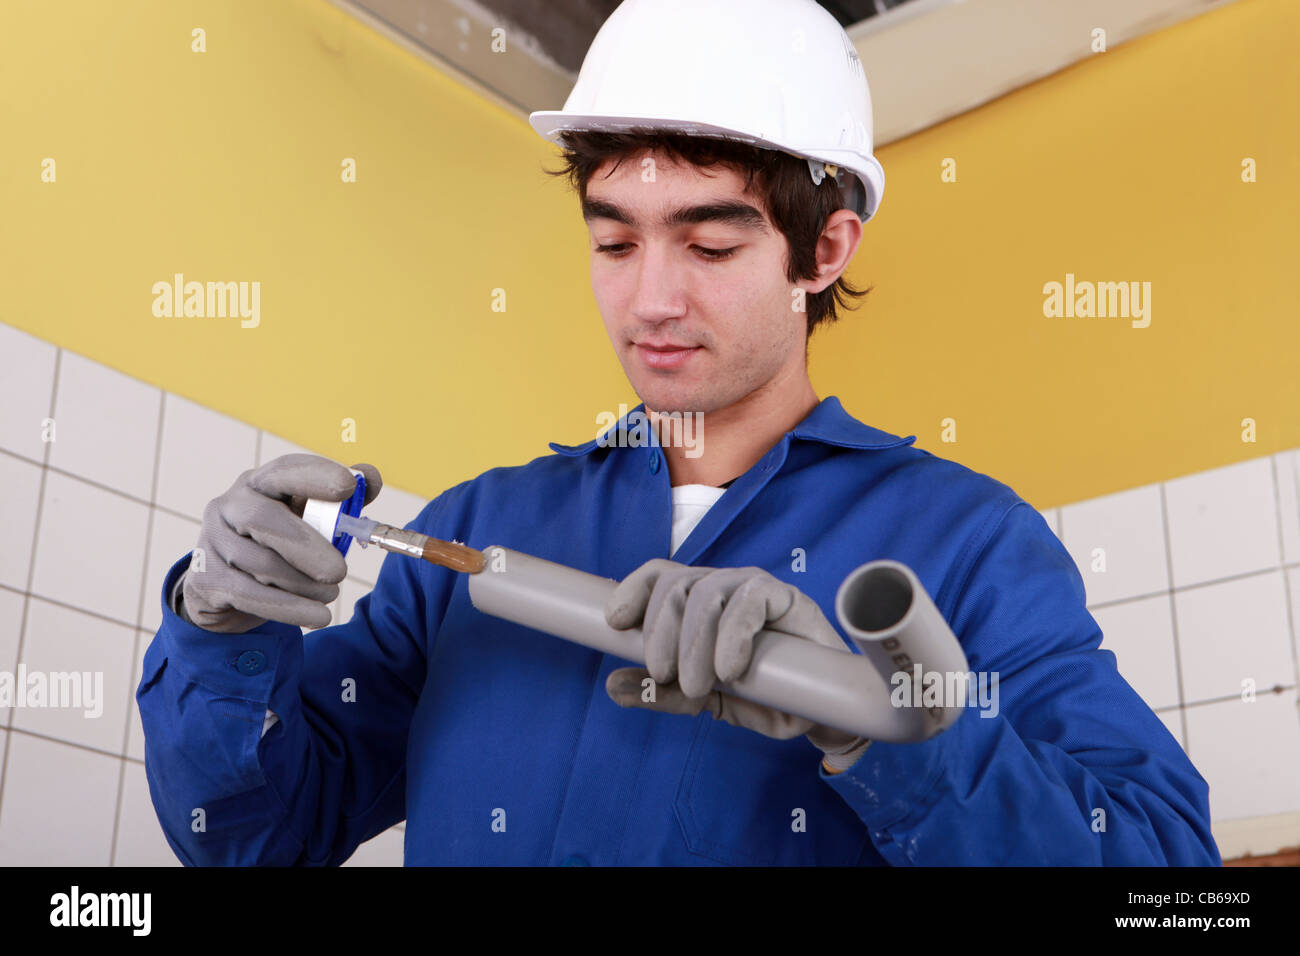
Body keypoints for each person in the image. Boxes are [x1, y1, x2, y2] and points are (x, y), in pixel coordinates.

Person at [137, 0, 1220, 865]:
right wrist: (217, 633)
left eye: (707, 247)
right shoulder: (482, 524)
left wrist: (898, 739)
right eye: (614, 245)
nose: (649, 299)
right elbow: (250, 838)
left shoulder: (968, 542)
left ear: (823, 249)